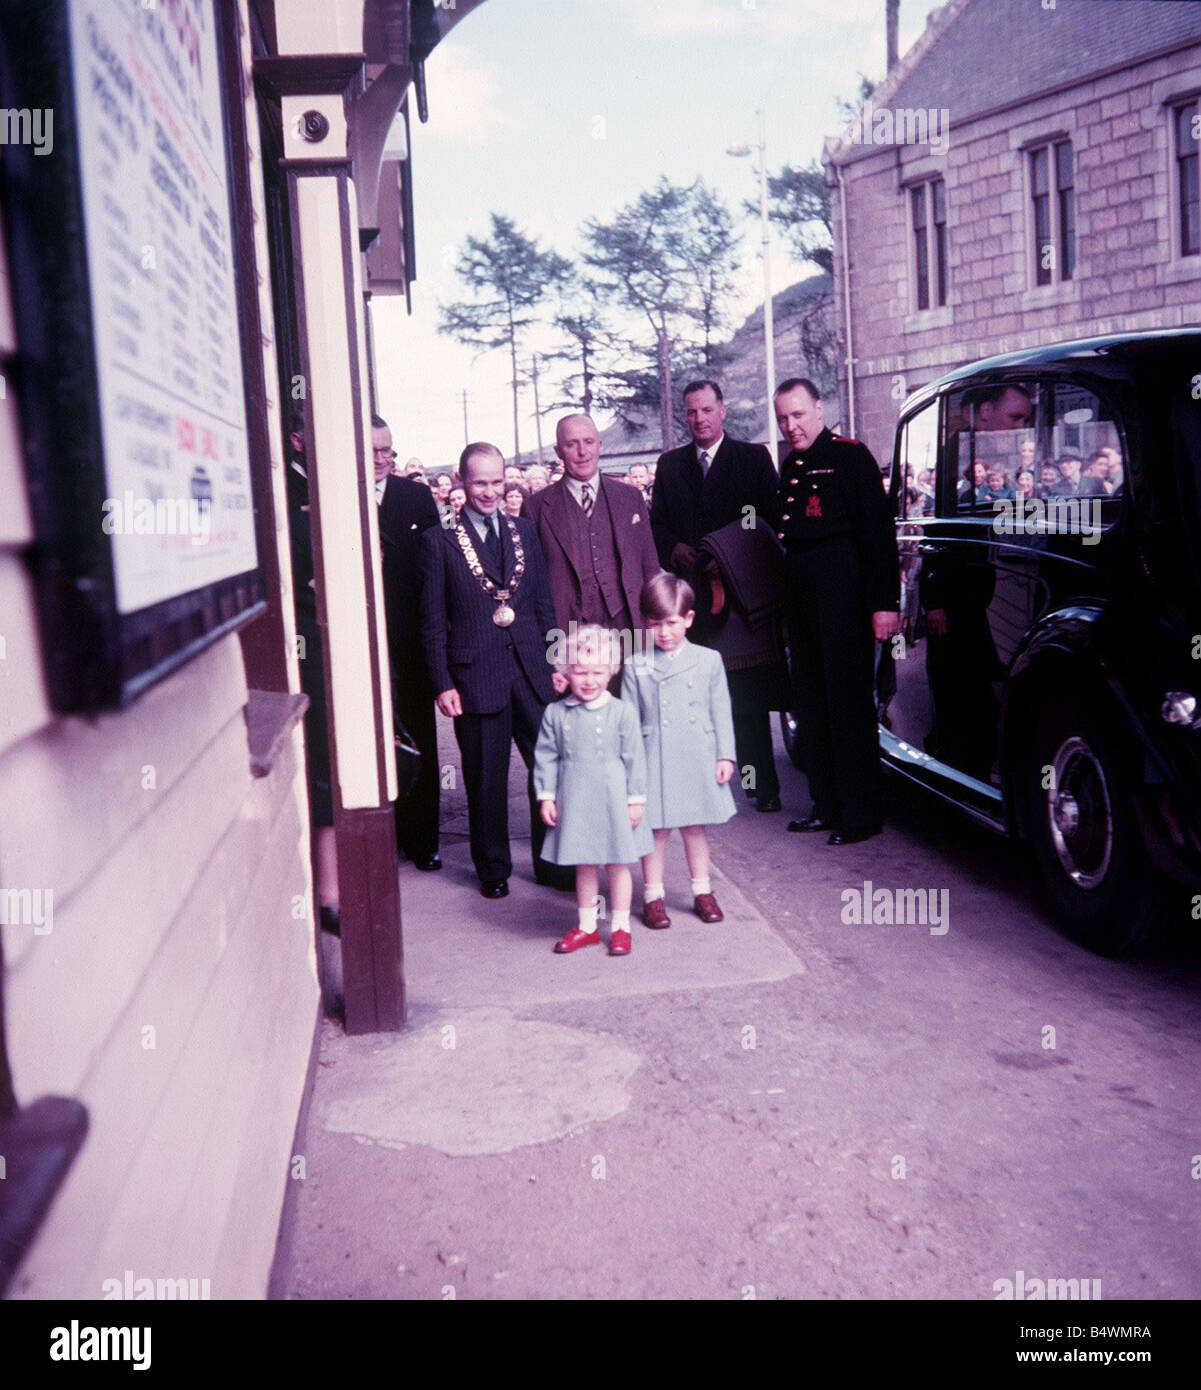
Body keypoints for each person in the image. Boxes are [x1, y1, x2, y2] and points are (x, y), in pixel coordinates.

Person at [420, 443, 566, 897]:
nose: (490, 492)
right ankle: (493, 869)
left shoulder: (524, 530)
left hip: (530, 670)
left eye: (497, 481)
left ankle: (552, 862)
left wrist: (555, 659)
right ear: (462, 483)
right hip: (475, 674)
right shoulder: (438, 539)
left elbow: (543, 603)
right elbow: (431, 619)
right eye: (480, 482)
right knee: (485, 777)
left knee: (551, 767)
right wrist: (442, 681)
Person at [774, 377, 900, 845]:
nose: (791, 426)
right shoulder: (793, 464)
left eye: (798, 414)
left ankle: (861, 814)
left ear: (820, 409)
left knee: (847, 706)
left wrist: (884, 604)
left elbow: (877, 534)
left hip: (844, 599)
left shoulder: (850, 456)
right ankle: (825, 805)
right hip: (804, 603)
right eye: (783, 418)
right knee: (812, 703)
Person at [650, 379, 784, 812]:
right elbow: (658, 524)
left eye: (706, 410)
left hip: (741, 595)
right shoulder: (670, 465)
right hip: (690, 595)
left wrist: (726, 555)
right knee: (693, 693)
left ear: (722, 411)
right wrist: (675, 548)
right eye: (691, 412)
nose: (699, 419)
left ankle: (760, 785)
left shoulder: (751, 458)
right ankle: (697, 783)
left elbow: (767, 520)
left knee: (747, 696)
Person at [621, 574, 737, 928]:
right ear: (644, 623)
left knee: (694, 827)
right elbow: (627, 721)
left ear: (688, 619)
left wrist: (725, 755)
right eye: (655, 624)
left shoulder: (708, 660)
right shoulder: (635, 665)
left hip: (696, 754)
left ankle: (702, 891)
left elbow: (721, 710)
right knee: (655, 831)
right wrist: (628, 769)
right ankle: (653, 896)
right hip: (652, 754)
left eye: (672, 623)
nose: (664, 632)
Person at [534, 625, 652, 956]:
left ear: (611, 671)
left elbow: (635, 759)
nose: (589, 680)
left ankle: (620, 927)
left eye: (597, 671)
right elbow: (546, 756)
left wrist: (636, 800)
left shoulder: (622, 712)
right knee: (584, 864)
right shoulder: (556, 714)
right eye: (581, 672)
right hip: (576, 800)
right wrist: (546, 796)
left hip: (614, 800)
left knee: (617, 864)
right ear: (567, 673)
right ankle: (587, 926)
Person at [522, 413, 660, 668]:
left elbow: (649, 565)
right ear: (558, 451)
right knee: (578, 701)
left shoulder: (630, 497)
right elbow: (532, 584)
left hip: (627, 622)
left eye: (588, 441)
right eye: (571, 444)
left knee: (633, 697)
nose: (582, 451)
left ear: (600, 445)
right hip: (568, 628)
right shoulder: (535, 507)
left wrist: (654, 622)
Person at [374, 415, 444, 871]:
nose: (382, 460)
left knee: (419, 737)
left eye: (388, 451)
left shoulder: (416, 497)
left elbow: (435, 569)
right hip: (361, 640)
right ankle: (381, 840)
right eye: (373, 451)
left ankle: (424, 840)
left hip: (412, 640)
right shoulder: (337, 496)